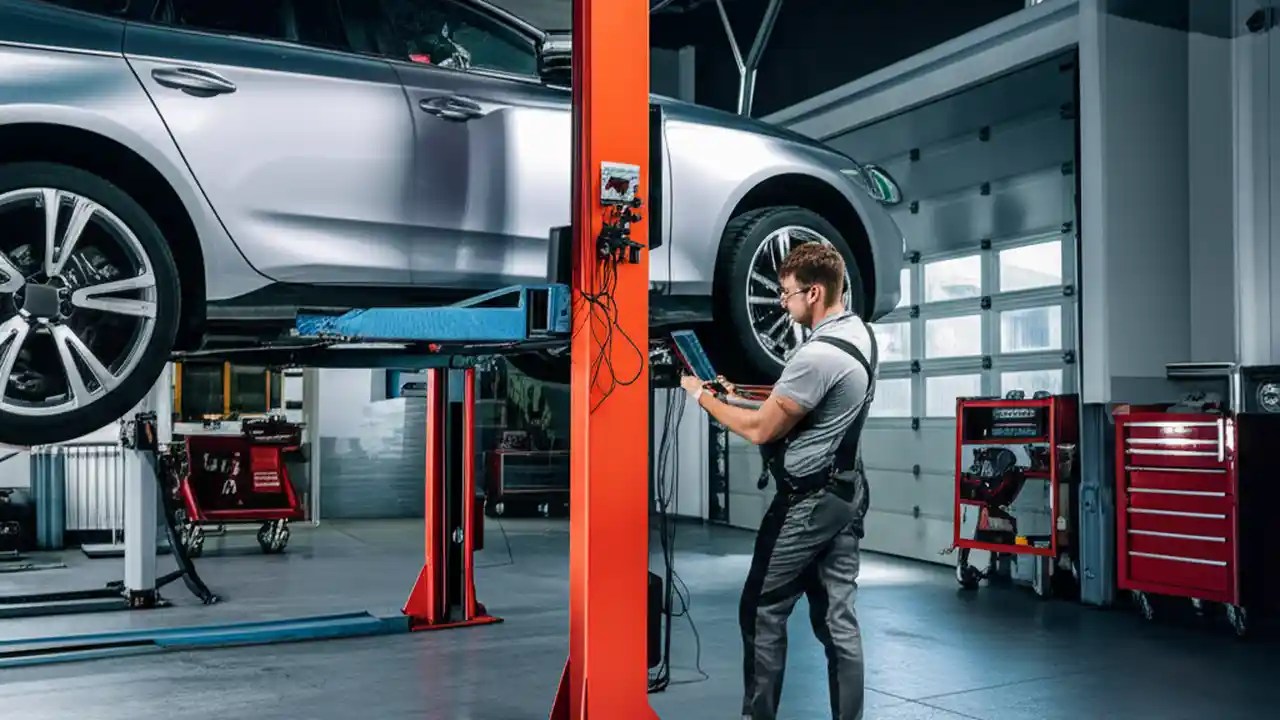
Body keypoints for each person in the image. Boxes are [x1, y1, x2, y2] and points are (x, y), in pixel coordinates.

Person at [680, 242, 877, 720]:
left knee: (762, 609)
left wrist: (702, 397)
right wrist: (735, 394)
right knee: (838, 622)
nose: (783, 304)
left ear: (814, 293)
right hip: (846, 494)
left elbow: (760, 429)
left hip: (806, 504)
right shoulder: (861, 334)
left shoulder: (816, 356)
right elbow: (800, 405)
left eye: (787, 294)